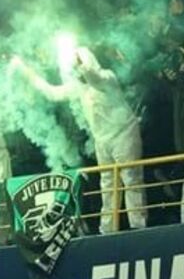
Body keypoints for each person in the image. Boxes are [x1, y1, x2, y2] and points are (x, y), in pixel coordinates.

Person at [13, 46, 147, 233]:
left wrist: (81, 64)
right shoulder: (78, 87)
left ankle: (138, 225)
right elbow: (52, 93)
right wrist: (27, 72)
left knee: (131, 178)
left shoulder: (107, 78)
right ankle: (107, 228)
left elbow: (94, 78)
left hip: (124, 133)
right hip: (102, 139)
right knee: (107, 184)